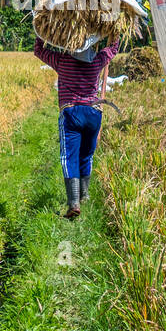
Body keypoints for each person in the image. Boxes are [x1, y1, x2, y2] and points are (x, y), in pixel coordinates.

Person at [33, 35, 119, 218]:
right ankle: (85, 195)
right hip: (93, 114)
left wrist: (41, 33)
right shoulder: (97, 61)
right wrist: (115, 33)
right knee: (86, 155)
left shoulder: (62, 60)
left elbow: (38, 51)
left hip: (72, 113)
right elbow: (113, 49)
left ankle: (74, 203)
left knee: (69, 158)